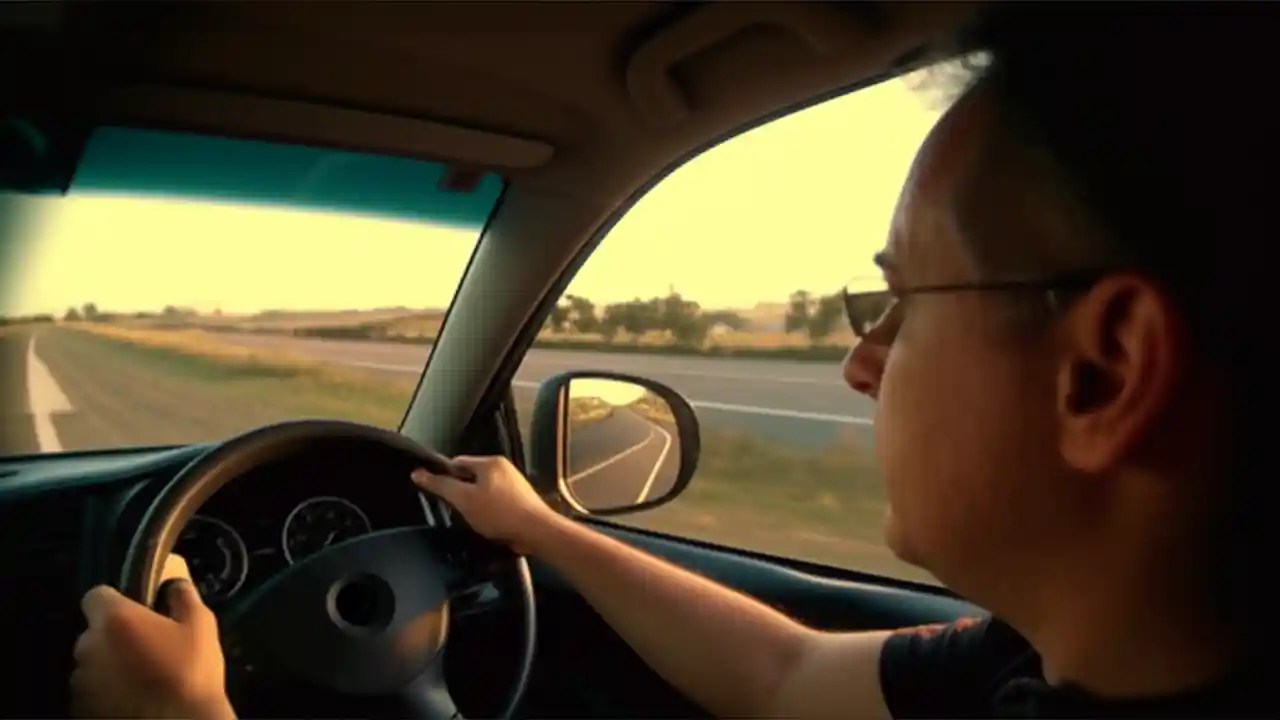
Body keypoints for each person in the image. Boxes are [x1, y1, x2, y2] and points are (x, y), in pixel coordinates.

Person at [70, 5, 1277, 719]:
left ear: (1101, 374)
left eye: (903, 298)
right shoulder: (1043, 659)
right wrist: (541, 530)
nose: (863, 364)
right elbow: (782, 672)